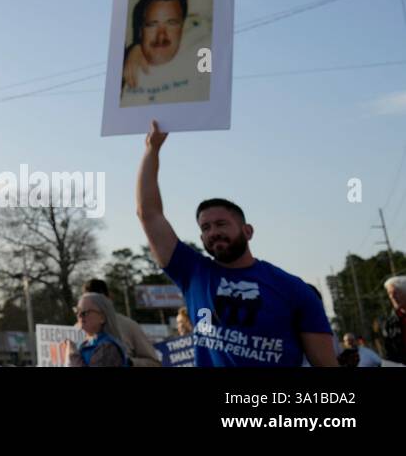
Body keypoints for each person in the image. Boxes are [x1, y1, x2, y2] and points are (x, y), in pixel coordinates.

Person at [135, 120, 335, 366]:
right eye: (206, 228)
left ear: (248, 231)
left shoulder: (293, 290)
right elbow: (149, 213)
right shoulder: (194, 274)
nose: (213, 232)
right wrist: (152, 150)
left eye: (221, 224)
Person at [120, 0, 209, 105]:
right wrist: (132, 50)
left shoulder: (202, 54)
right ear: (141, 31)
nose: (161, 36)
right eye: (152, 24)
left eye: (171, 23)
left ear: (183, 26)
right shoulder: (122, 70)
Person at [81, 278, 161, 366]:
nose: (82, 316)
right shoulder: (76, 330)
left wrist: (128, 362)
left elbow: (154, 363)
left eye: (89, 310)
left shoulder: (129, 326)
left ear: (108, 300)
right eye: (83, 309)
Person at [61, 292, 131, 367]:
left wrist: (73, 354)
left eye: (85, 312)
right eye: (77, 311)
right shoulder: (87, 343)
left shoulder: (107, 348)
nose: (80, 316)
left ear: (102, 318)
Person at [379, 275, 406, 363]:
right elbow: (389, 355)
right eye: (389, 294)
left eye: (395, 293)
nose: (392, 297)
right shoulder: (389, 324)